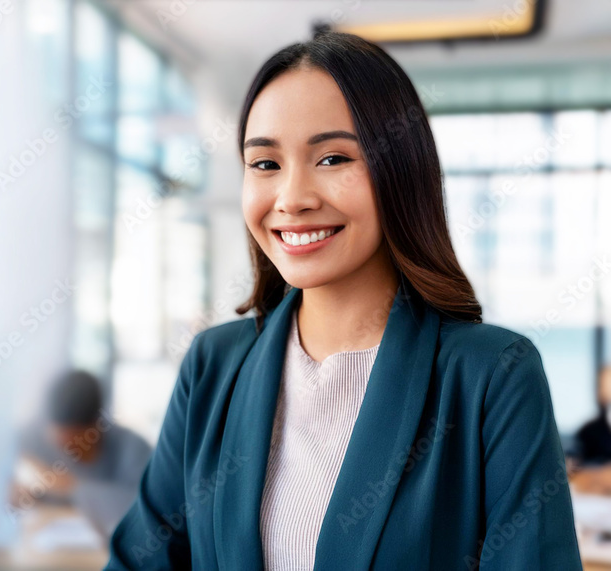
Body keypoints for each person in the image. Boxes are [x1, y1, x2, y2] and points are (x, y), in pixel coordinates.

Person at [105, 31, 582, 570]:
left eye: (332, 158)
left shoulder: (490, 374)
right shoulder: (213, 365)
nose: (292, 198)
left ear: (399, 171)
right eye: (265, 164)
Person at [8, 369, 152, 537]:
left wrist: (72, 487)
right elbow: (11, 502)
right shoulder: (31, 439)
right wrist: (18, 498)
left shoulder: (132, 448)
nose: (67, 452)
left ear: (97, 427)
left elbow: (142, 508)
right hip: (45, 549)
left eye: (74, 443)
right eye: (59, 442)